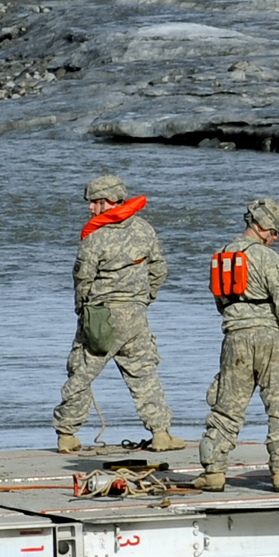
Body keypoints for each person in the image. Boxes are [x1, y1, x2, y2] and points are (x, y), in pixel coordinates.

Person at [55, 173, 179, 454]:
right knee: (144, 374)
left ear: (107, 202)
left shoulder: (95, 237)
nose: (90, 208)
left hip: (101, 316)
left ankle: (66, 434)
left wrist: (82, 309)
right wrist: (144, 299)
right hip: (136, 315)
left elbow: (82, 278)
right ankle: (161, 433)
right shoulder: (145, 230)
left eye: (94, 203)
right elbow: (159, 270)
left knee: (81, 373)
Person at [199, 196, 279, 493]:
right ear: (262, 227)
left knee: (227, 407)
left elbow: (220, 302)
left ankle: (213, 470)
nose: (275, 239)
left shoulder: (222, 255)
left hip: (235, 337)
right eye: (274, 233)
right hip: (272, 338)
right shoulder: (268, 258)